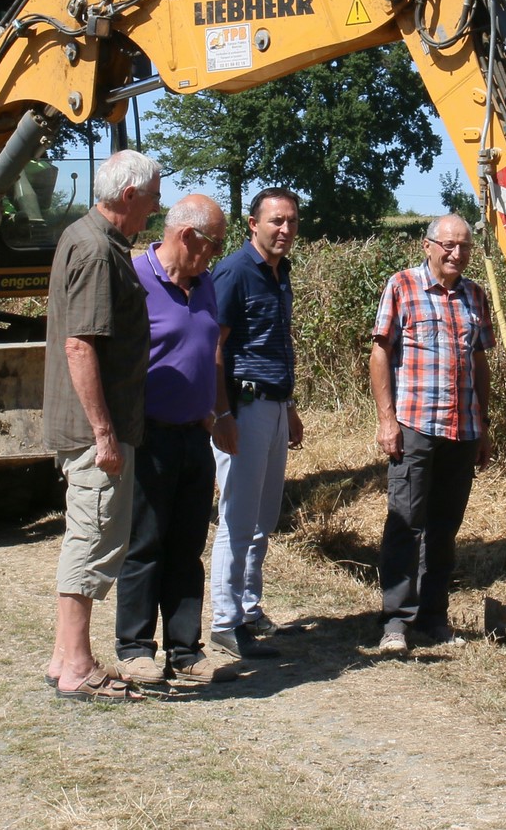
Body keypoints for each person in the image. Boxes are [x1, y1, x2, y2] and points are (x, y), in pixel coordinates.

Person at [43, 149, 161, 702]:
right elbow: (79, 345)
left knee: (86, 535)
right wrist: (105, 433)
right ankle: (78, 666)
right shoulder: (96, 250)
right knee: (91, 540)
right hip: (98, 431)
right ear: (131, 195)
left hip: (100, 426)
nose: (156, 209)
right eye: (154, 197)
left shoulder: (89, 237)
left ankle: (65, 656)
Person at [113, 194, 236, 686]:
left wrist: (219, 414)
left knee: (187, 547)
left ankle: (185, 651)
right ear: (186, 236)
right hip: (149, 436)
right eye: (212, 244)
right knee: (145, 544)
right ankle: (135, 648)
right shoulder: (135, 278)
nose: (214, 255)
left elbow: (212, 352)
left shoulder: (204, 285)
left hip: (194, 436)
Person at [371, 214, 494, 653]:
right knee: (406, 523)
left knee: (444, 528)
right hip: (415, 426)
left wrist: (483, 427)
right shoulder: (402, 286)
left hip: (461, 431)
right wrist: (388, 420)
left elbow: (479, 364)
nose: (455, 254)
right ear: (428, 246)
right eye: (448, 245)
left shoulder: (475, 296)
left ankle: (433, 616)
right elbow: (380, 353)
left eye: (463, 246)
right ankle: (395, 624)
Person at [207, 187, 303, 660]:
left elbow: (277, 341)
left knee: (262, 518)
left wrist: (289, 405)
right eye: (276, 221)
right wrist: (221, 414)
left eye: (291, 222)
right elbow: (215, 348)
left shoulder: (280, 272)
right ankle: (225, 622)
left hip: (273, 405)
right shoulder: (235, 272)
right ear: (253, 224)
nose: (285, 230)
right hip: (242, 409)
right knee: (237, 518)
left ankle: (248, 608)